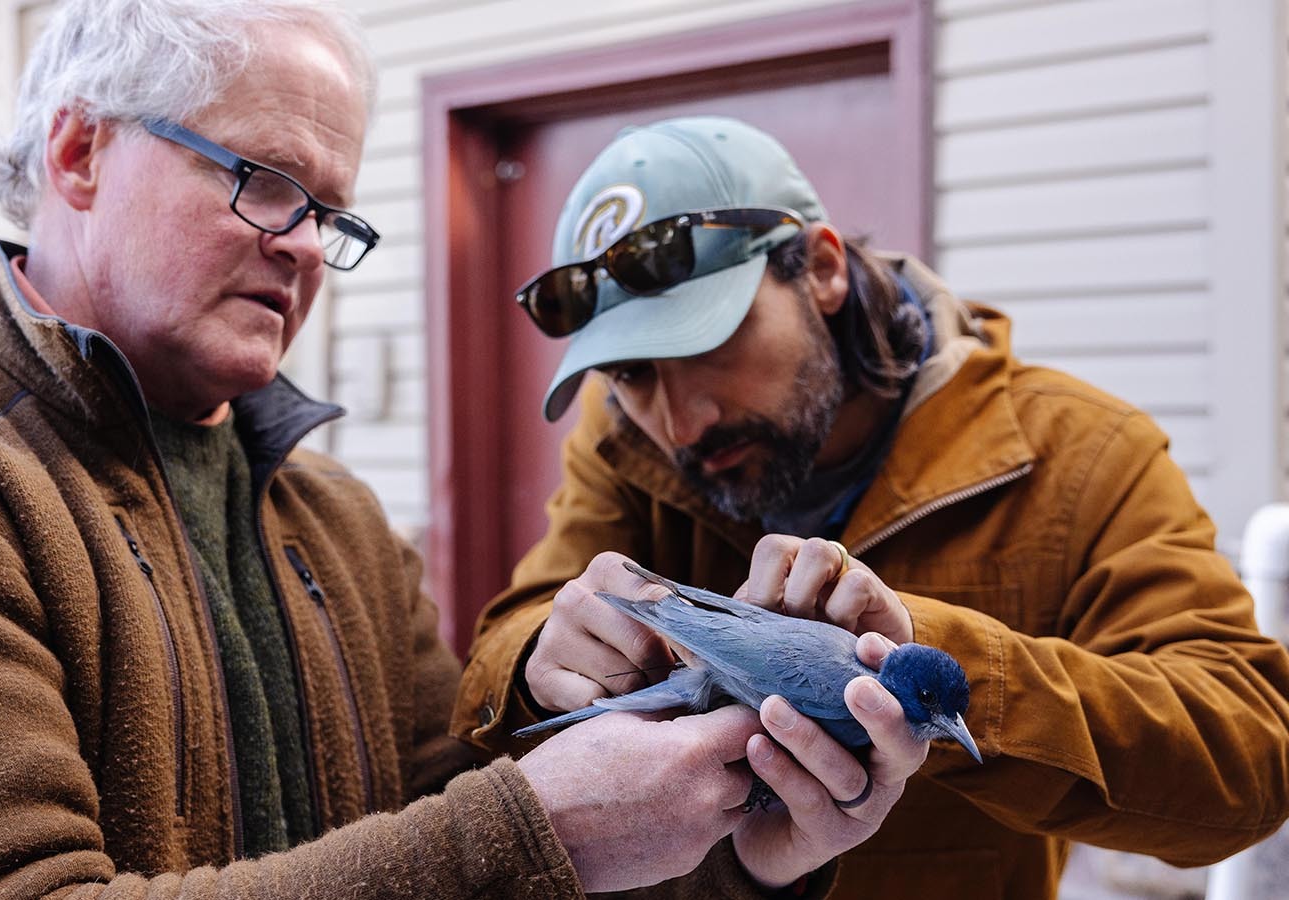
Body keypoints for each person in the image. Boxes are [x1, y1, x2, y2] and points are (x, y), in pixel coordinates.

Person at [0, 6, 931, 897]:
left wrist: (745, 861)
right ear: (78, 155)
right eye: (266, 182)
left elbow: (473, 847)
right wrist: (530, 834)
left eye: (330, 212)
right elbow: (493, 851)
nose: (301, 245)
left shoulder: (331, 518)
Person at [453, 114, 1289, 900]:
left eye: (704, 341)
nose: (681, 422)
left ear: (821, 269)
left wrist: (912, 667)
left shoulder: (1079, 450)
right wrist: (540, 655)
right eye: (631, 374)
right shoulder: (622, 447)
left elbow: (1248, 759)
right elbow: (503, 648)